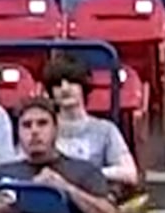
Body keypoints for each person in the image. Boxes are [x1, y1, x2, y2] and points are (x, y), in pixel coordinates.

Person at [42, 53, 140, 188]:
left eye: (71, 81)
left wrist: (89, 175)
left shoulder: (105, 130)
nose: (65, 89)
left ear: (83, 85)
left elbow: (130, 173)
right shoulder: (42, 129)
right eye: (57, 84)